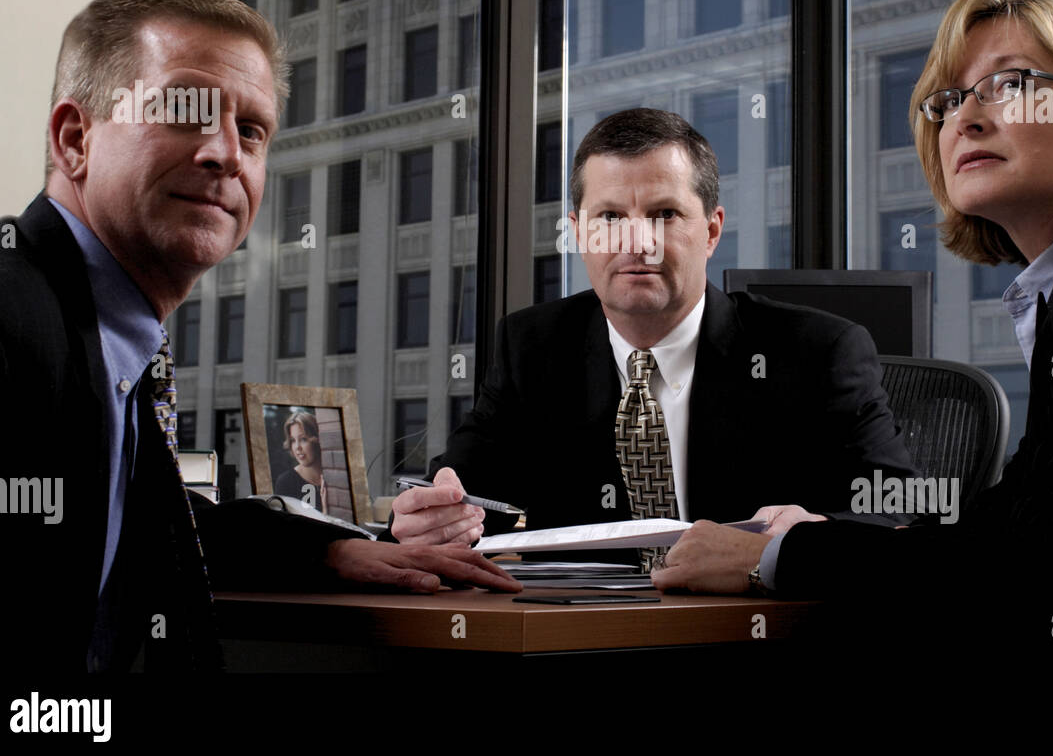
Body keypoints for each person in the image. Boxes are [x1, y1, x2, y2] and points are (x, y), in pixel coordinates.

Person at [653, 0, 1053, 658]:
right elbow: (1022, 526)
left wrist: (776, 556)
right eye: (949, 99)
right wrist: (828, 536)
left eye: (1010, 83)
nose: (964, 118)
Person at [0, 0, 519, 674]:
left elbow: (148, 506)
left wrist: (331, 549)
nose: (224, 152)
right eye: (186, 111)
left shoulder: (104, 331)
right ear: (76, 138)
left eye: (251, 130)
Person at [389, 109, 915, 556]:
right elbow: (462, 489)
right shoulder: (532, 347)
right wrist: (431, 518)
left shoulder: (817, 352)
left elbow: (903, 509)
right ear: (578, 233)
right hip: (581, 643)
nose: (637, 242)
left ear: (710, 231)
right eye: (611, 216)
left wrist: (806, 538)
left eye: (664, 214)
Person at [274, 412, 324, 506]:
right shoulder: (286, 482)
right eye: (293, 440)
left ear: (317, 439)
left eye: (303, 439)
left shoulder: (335, 476)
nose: (297, 447)